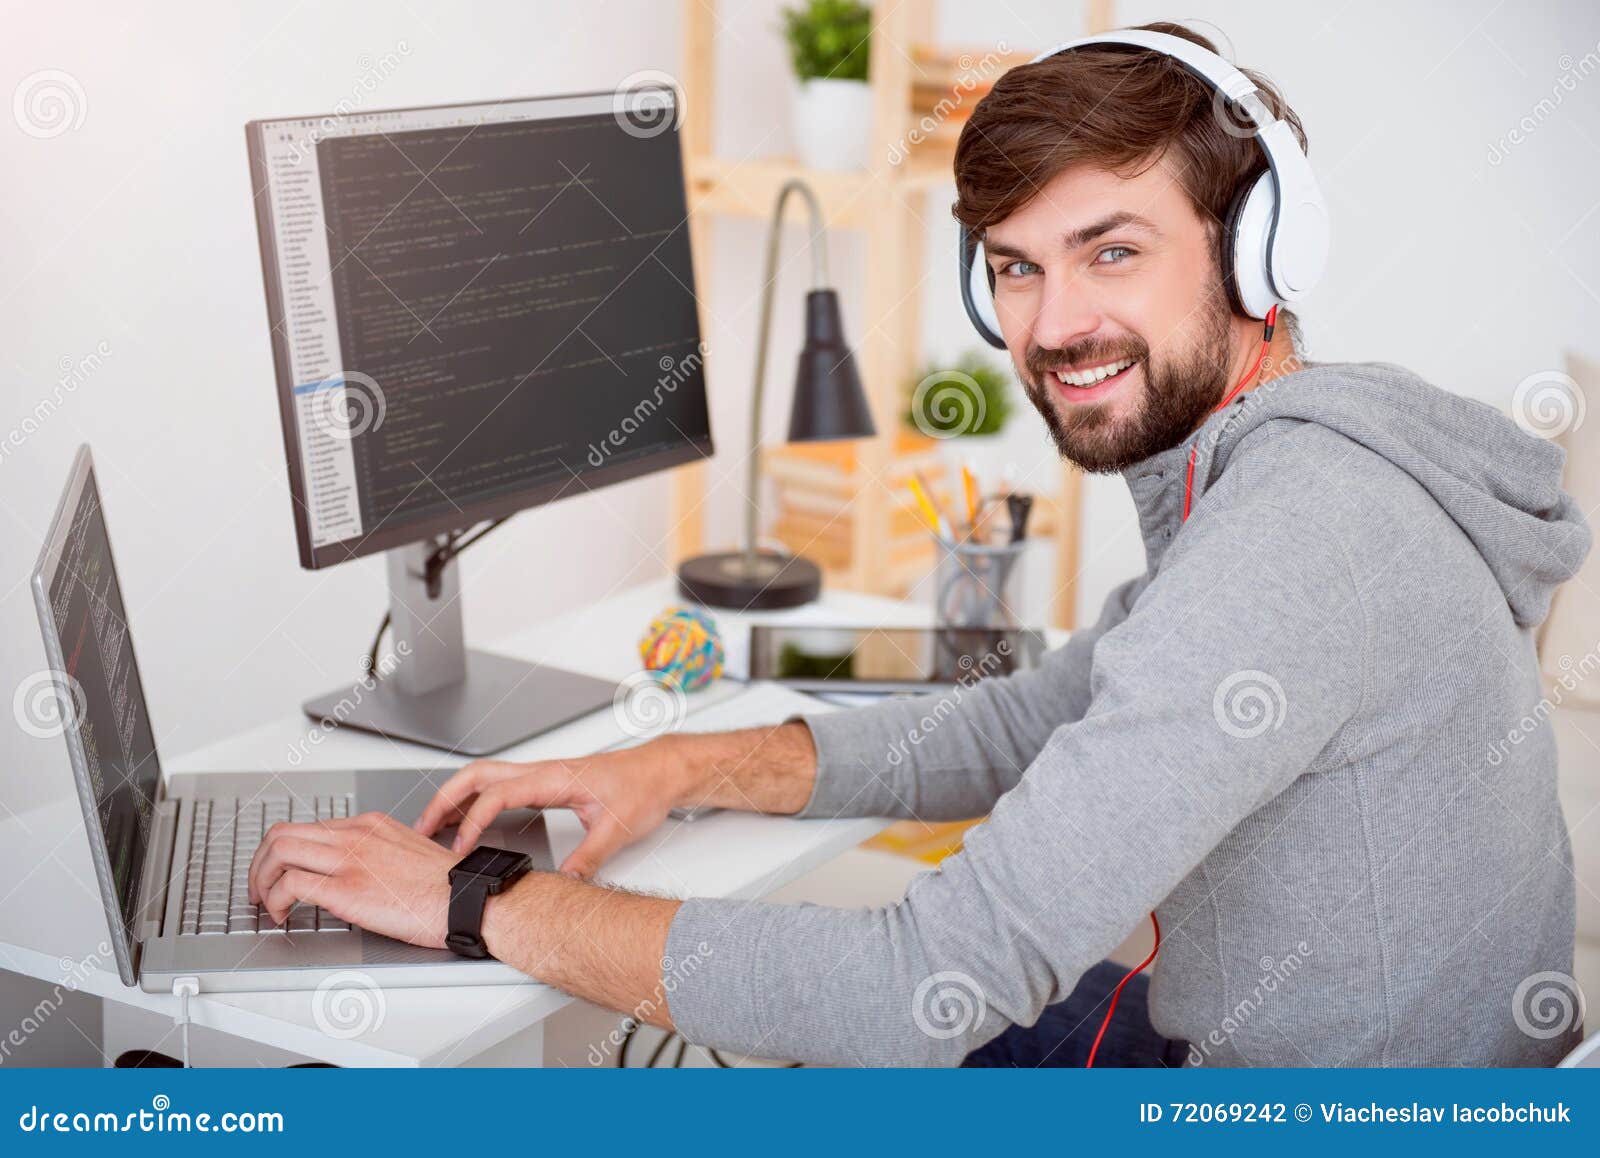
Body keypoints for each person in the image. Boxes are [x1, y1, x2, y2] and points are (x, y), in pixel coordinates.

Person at [247, 23, 1590, 1067]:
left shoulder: (1296, 542)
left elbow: (920, 985)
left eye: (1110, 251)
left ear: (1258, 252)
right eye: (1015, 265)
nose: (1054, 323)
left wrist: (478, 905)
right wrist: (678, 765)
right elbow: (1018, 727)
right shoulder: (1293, 470)